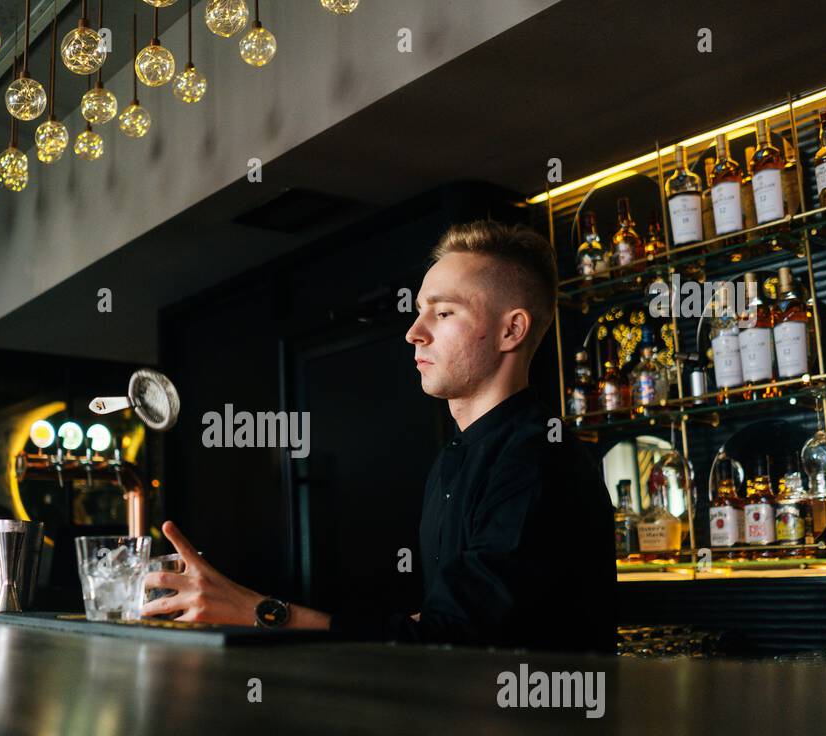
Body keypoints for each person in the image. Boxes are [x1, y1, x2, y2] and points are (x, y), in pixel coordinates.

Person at [141, 220, 616, 651]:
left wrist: (260, 612)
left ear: (511, 330)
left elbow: (457, 641)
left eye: (444, 313)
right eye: (418, 311)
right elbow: (433, 622)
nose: (414, 332)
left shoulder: (536, 461)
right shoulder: (455, 457)